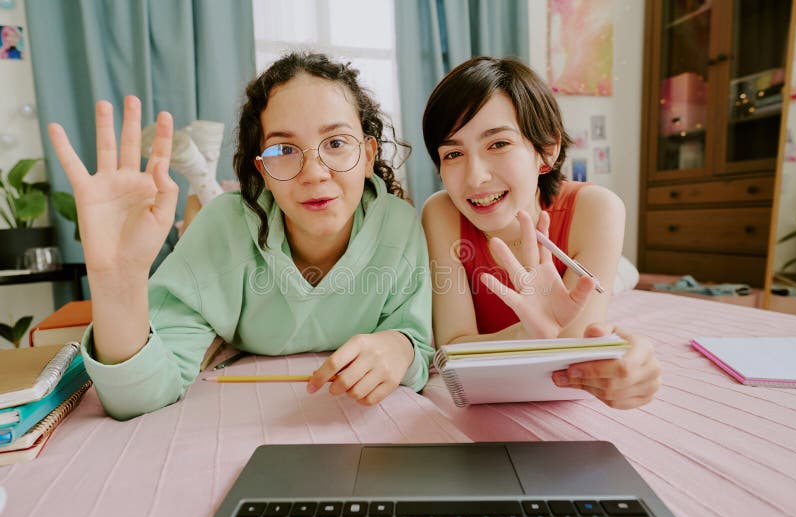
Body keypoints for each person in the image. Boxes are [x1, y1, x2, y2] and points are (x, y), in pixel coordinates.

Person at [48, 52, 433, 420]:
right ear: (262, 170)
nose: (314, 173)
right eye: (284, 149)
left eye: (335, 143)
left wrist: (400, 347)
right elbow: (138, 396)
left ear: (367, 155)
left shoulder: (398, 227)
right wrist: (119, 283)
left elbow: (418, 344)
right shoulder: (223, 229)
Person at [421, 56, 660, 409]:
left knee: (623, 276)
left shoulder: (597, 209)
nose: (474, 178)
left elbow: (572, 356)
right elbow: (455, 350)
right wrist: (529, 330)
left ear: (547, 150)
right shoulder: (441, 212)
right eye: (453, 153)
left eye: (498, 144)